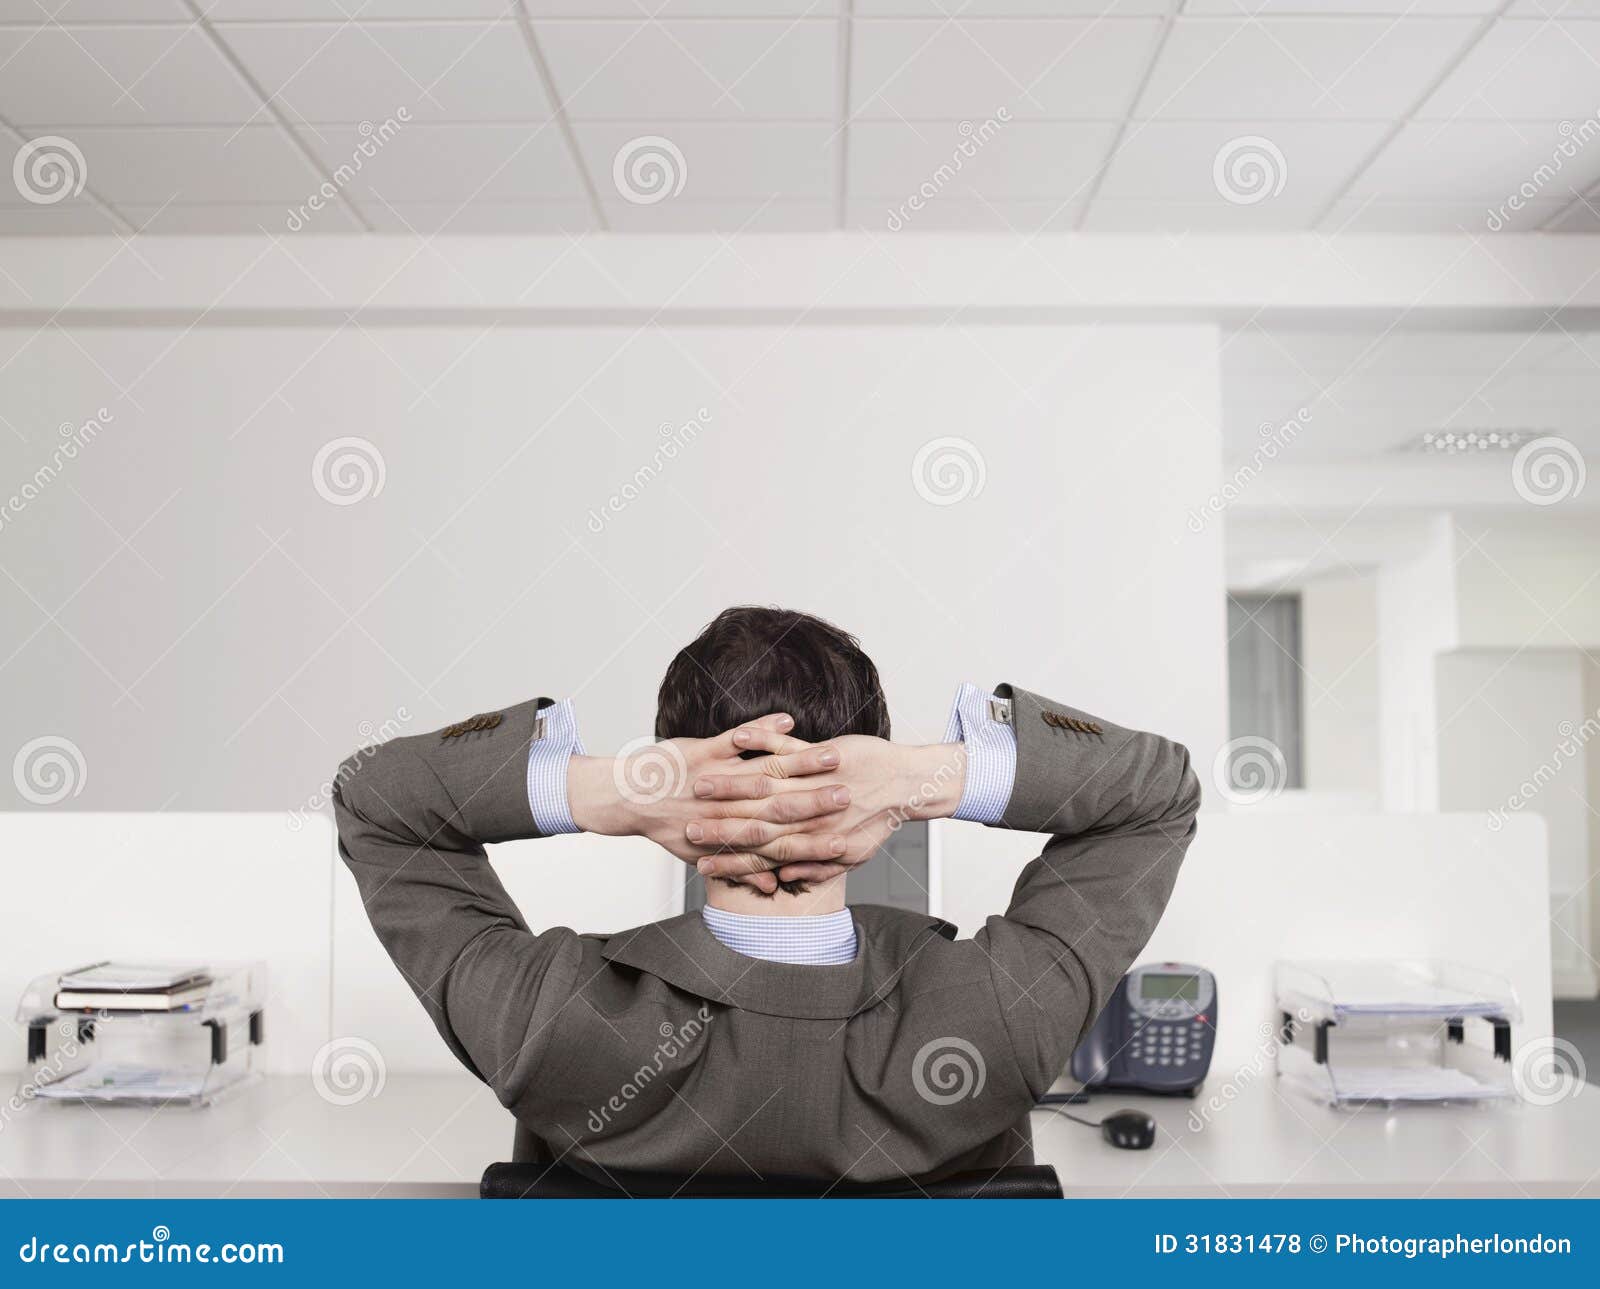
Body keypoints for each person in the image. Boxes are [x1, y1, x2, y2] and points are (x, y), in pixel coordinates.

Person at [332, 605, 1200, 1188]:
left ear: (677, 766)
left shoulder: (549, 1023)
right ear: (872, 768)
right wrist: (924, 778)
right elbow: (1157, 796)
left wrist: (612, 790)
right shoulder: (997, 1020)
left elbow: (376, 799)